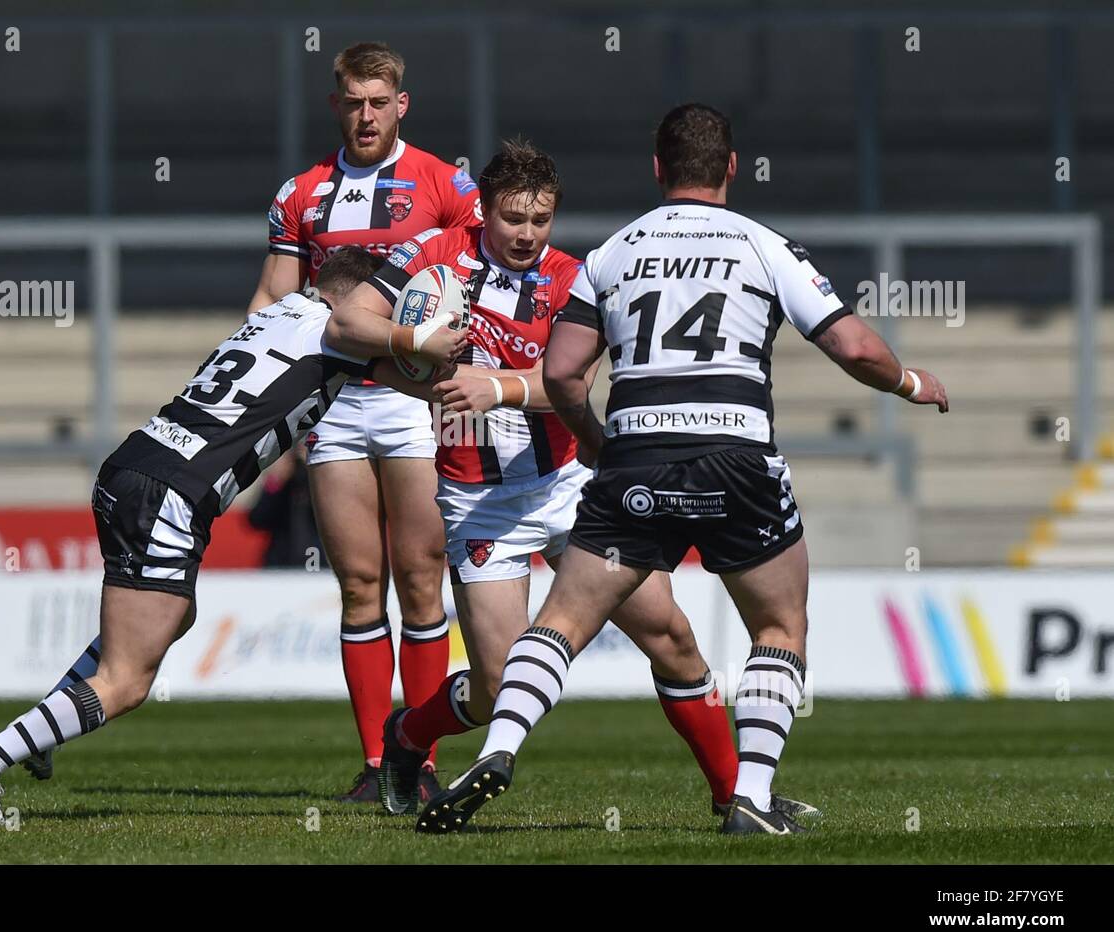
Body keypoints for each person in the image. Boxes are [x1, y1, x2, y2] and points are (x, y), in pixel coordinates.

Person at [418, 103, 949, 836]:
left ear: (657, 168)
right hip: (737, 454)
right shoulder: (764, 245)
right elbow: (854, 348)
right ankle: (751, 800)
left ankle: (500, 746)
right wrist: (911, 384)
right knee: (778, 623)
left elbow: (566, 374)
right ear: (731, 167)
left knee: (564, 620)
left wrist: (599, 444)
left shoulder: (612, 253)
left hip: (635, 452)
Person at [344, 140, 810, 823]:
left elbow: (569, 383)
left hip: (567, 489)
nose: (527, 234)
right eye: (512, 219)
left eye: (540, 220)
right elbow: (347, 324)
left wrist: (495, 387)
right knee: (499, 685)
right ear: (484, 213)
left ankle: (734, 795)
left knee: (671, 637)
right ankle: (408, 734)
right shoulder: (432, 256)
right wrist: (417, 355)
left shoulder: (571, 275)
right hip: (479, 500)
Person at [0, 248, 468, 824]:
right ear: (357, 302)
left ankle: (42, 735)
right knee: (128, 680)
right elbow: (369, 342)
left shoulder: (284, 315)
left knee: (174, 618)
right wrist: (419, 334)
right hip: (170, 493)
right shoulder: (337, 332)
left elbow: (409, 380)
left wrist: (469, 372)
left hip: (131, 470)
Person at [249, 42, 483, 801]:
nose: (366, 115)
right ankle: (375, 763)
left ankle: (419, 760)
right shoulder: (302, 193)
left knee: (420, 579)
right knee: (358, 583)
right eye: (353, 101)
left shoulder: (445, 184)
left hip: (416, 403)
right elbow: (272, 303)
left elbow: (479, 278)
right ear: (336, 104)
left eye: (379, 101)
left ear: (401, 103)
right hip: (336, 403)